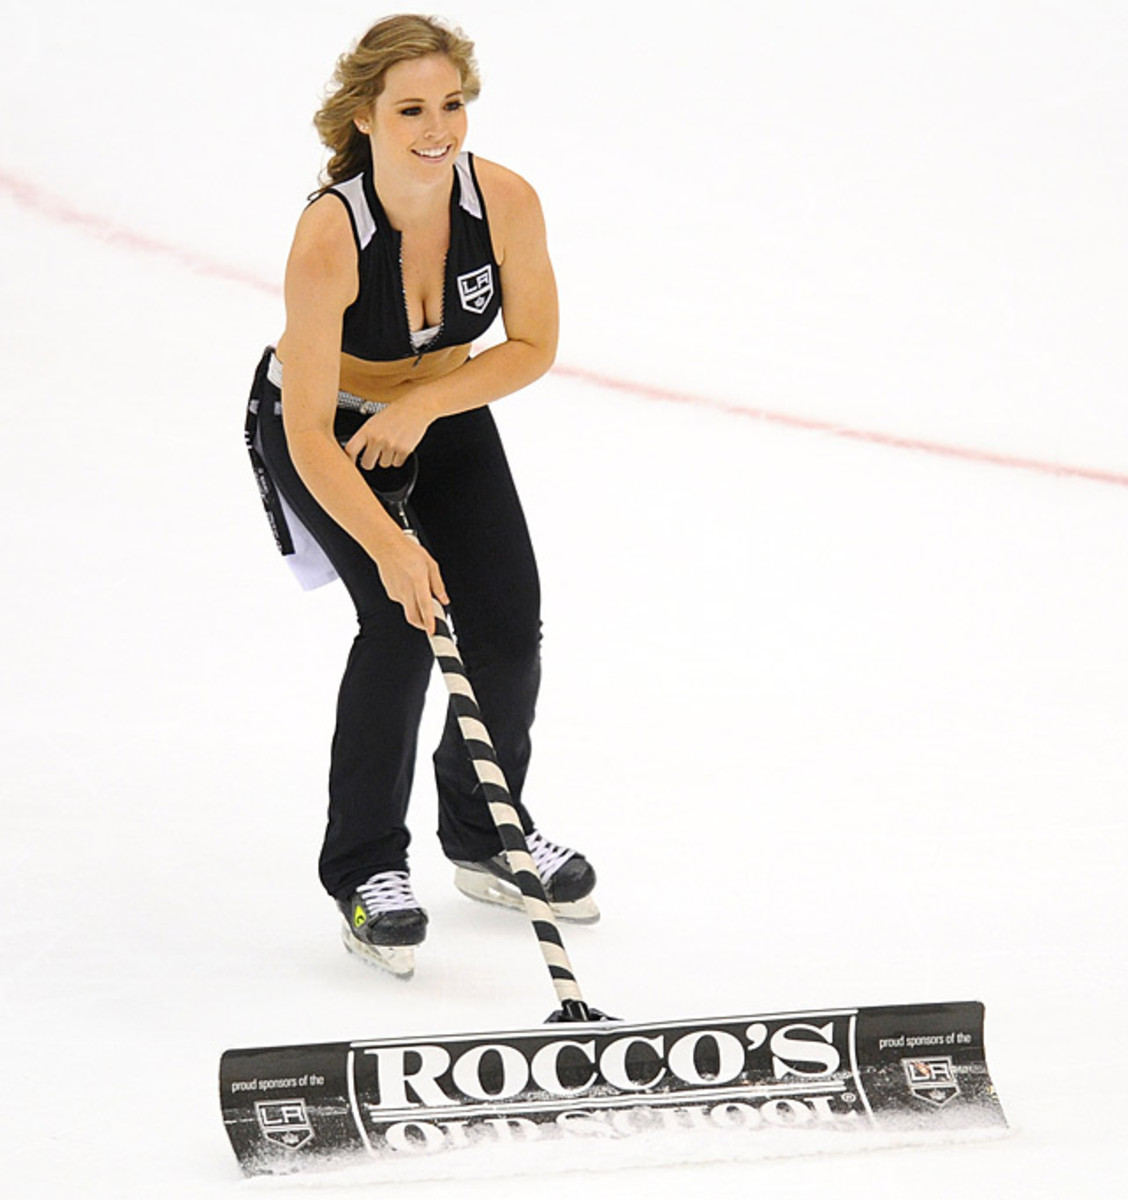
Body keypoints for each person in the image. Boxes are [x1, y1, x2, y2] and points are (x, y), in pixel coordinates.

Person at [244, 14, 597, 975]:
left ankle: (487, 835)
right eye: (411, 108)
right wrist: (394, 548)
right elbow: (312, 435)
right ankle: (365, 871)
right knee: (400, 626)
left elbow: (532, 346)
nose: (437, 126)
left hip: (438, 413)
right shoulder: (329, 236)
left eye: (452, 103)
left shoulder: (506, 200)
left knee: (506, 619)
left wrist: (429, 405)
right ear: (365, 115)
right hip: (325, 428)